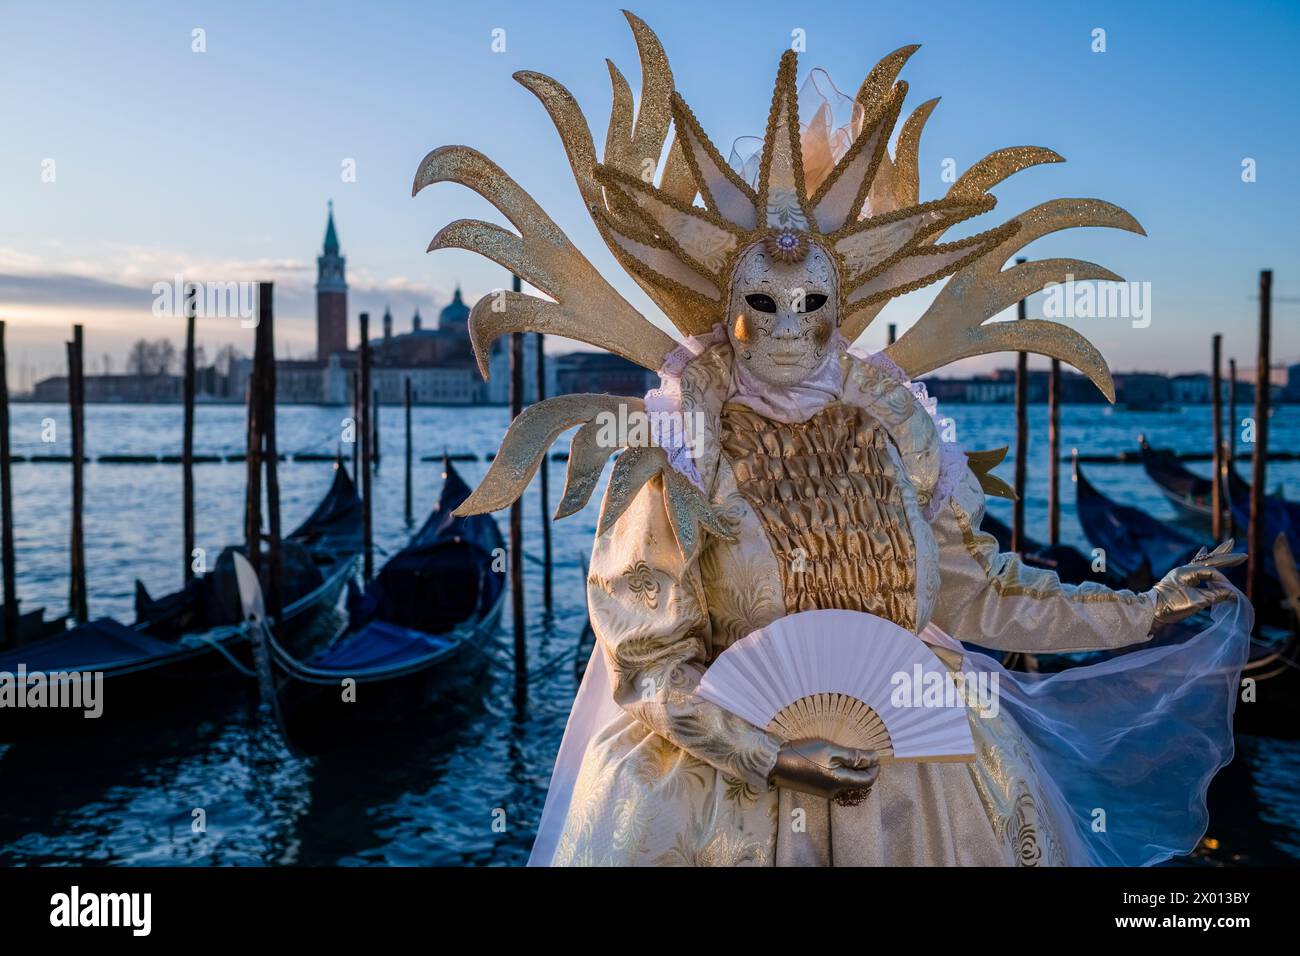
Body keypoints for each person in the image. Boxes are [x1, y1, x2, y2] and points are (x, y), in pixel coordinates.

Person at [415, 12, 1252, 866]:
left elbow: (979, 594)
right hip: (726, 804)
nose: (788, 326)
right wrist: (772, 755)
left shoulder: (899, 437)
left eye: (812, 305)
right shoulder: (675, 459)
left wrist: (1145, 610)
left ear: (841, 309)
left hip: (926, 801)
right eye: (764, 305)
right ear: (727, 310)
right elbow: (647, 664)